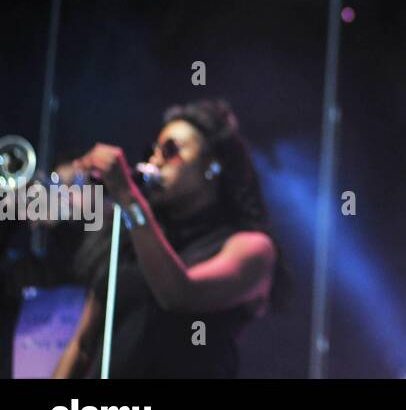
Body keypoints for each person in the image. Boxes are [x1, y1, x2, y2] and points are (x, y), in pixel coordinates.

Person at [52, 98, 287, 378]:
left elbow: (180, 295)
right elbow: (82, 345)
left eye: (171, 150)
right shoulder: (131, 236)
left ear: (211, 166)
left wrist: (129, 199)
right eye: (154, 150)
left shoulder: (252, 248)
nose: (155, 159)